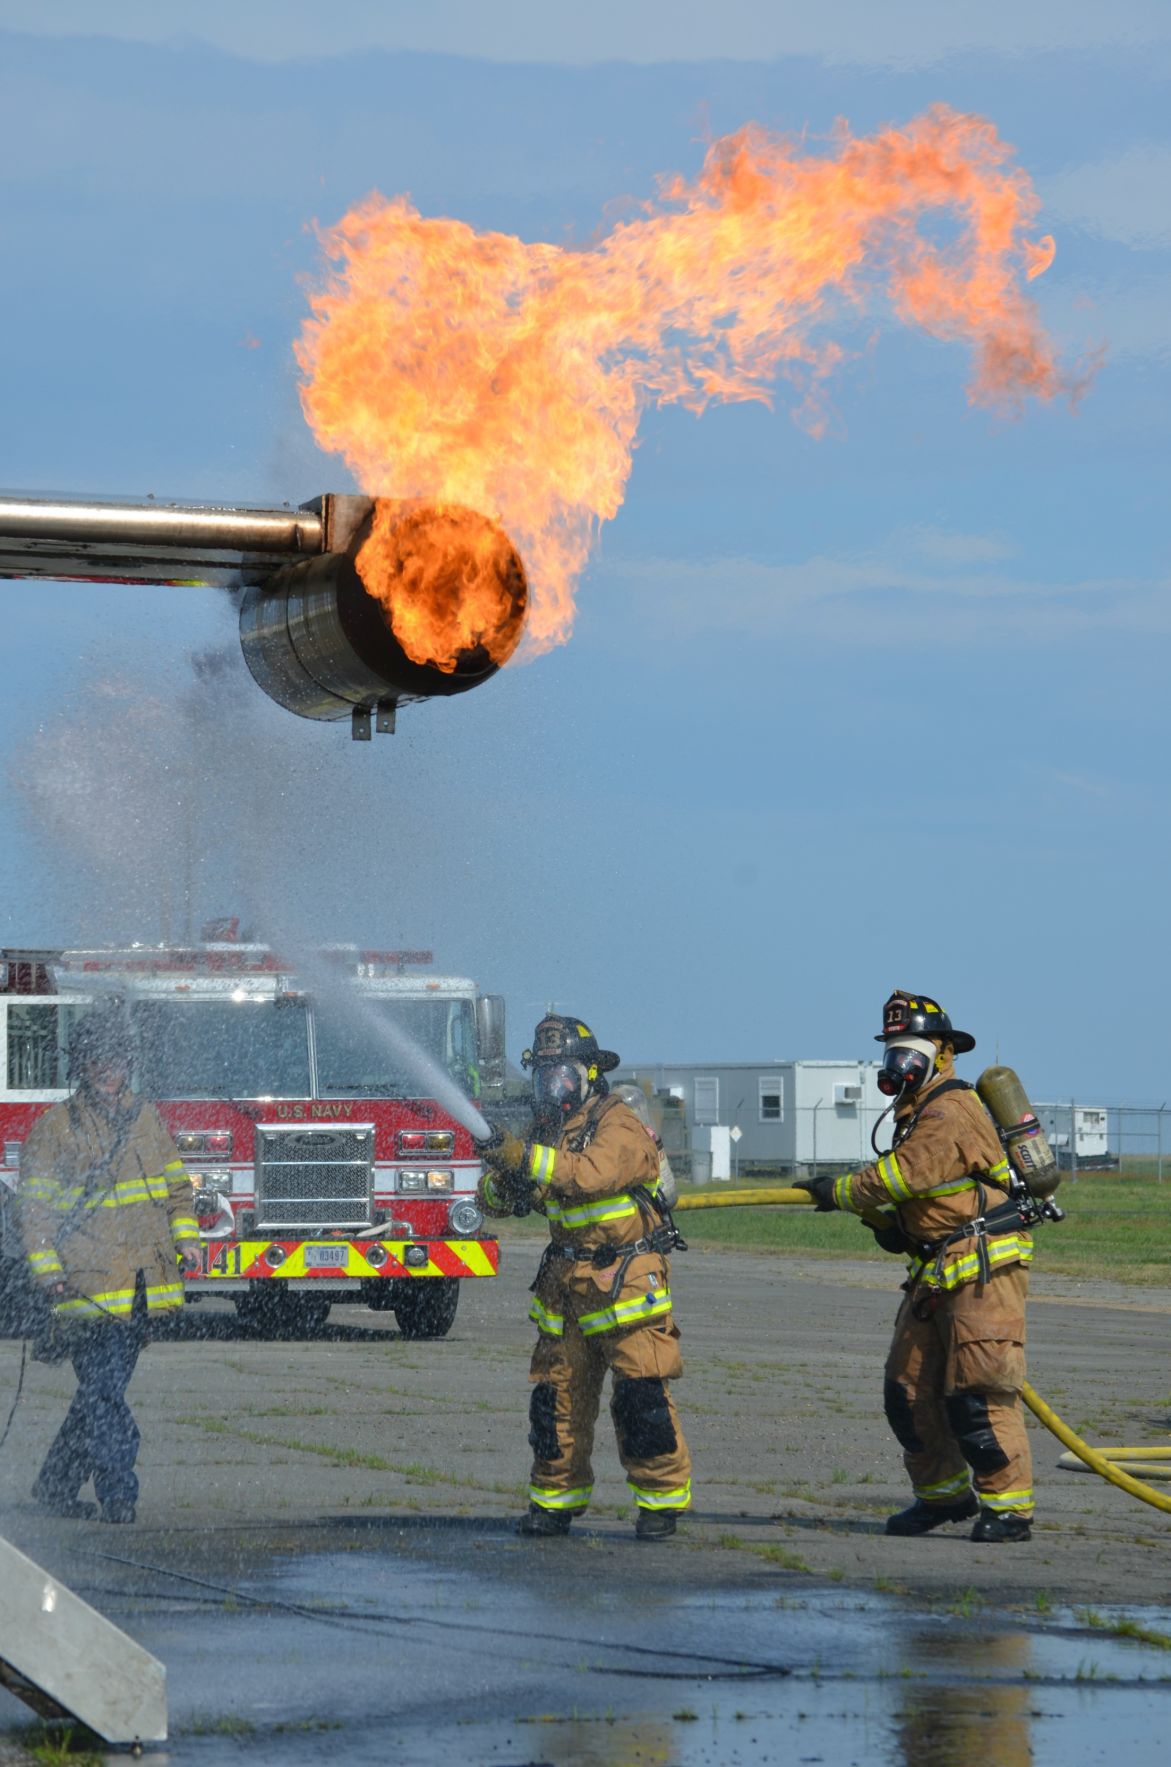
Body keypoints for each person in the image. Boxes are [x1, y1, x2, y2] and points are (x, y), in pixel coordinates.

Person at [795, 991, 1034, 1544]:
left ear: (942, 1054)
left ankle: (1011, 1509)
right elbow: (921, 1199)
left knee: (978, 1391)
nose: (896, 1063)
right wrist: (890, 1228)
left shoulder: (950, 1110)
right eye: (891, 1051)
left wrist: (837, 1192)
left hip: (982, 1266)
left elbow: (901, 1177)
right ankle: (944, 1496)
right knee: (906, 1389)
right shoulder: (917, 1113)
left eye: (908, 1050)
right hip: (938, 1266)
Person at [478, 1015, 691, 1541]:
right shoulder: (548, 1130)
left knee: (640, 1398)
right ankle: (554, 1502)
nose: (554, 1085)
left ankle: (661, 1504)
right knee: (556, 1401)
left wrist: (524, 1158)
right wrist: (502, 1180)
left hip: (626, 1281)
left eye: (564, 1074)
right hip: (566, 1286)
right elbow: (504, 1197)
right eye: (545, 1074)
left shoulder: (618, 1123)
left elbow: (587, 1173)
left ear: (591, 1074)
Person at [19, 1006, 200, 1523]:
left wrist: (186, 1242)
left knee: (98, 1395)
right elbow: (33, 1213)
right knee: (104, 1396)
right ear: (82, 1064)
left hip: (143, 1289)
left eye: (117, 1058)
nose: (108, 1068)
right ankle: (119, 1494)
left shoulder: (148, 1120)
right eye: (98, 1059)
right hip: (87, 1291)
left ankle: (54, 1487)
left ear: (129, 1062)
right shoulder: (55, 1129)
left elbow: (177, 1193)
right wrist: (48, 1271)